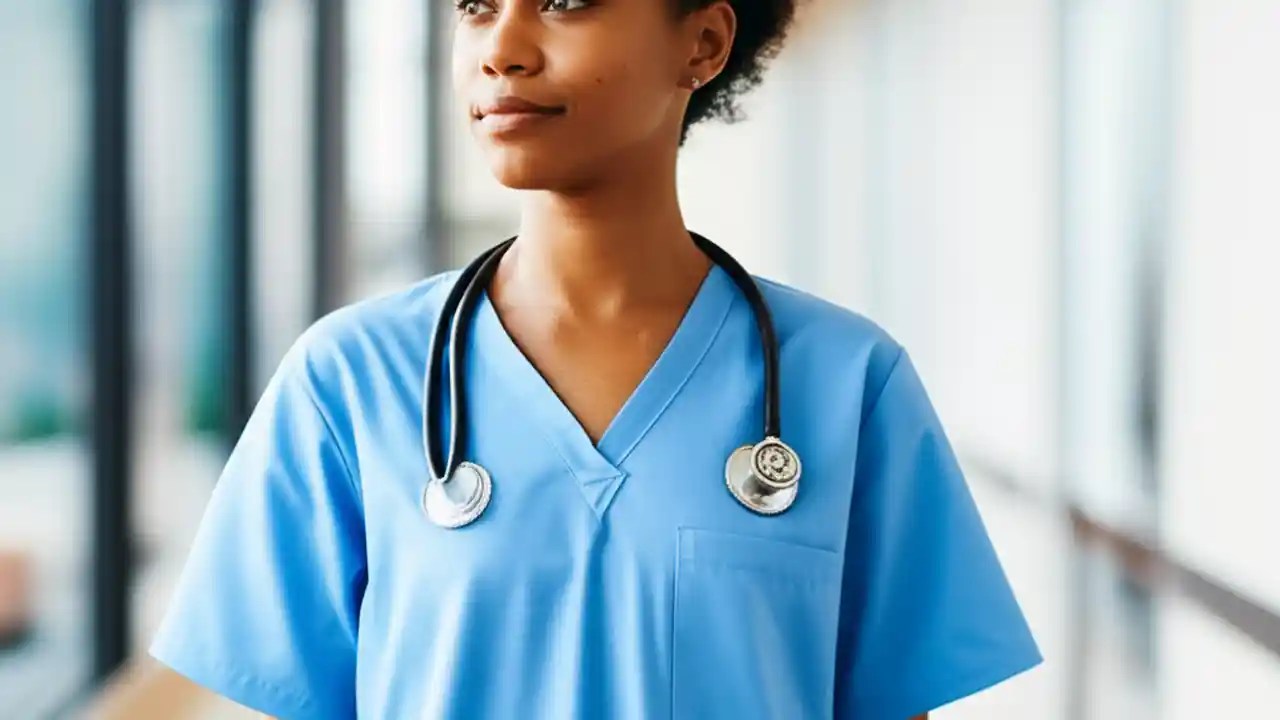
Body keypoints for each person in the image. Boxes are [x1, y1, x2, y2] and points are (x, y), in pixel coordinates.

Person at [148, 0, 1043, 718]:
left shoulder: (848, 386)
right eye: (475, 6)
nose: (502, 50)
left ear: (703, 42)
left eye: (565, 2)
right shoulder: (349, 383)